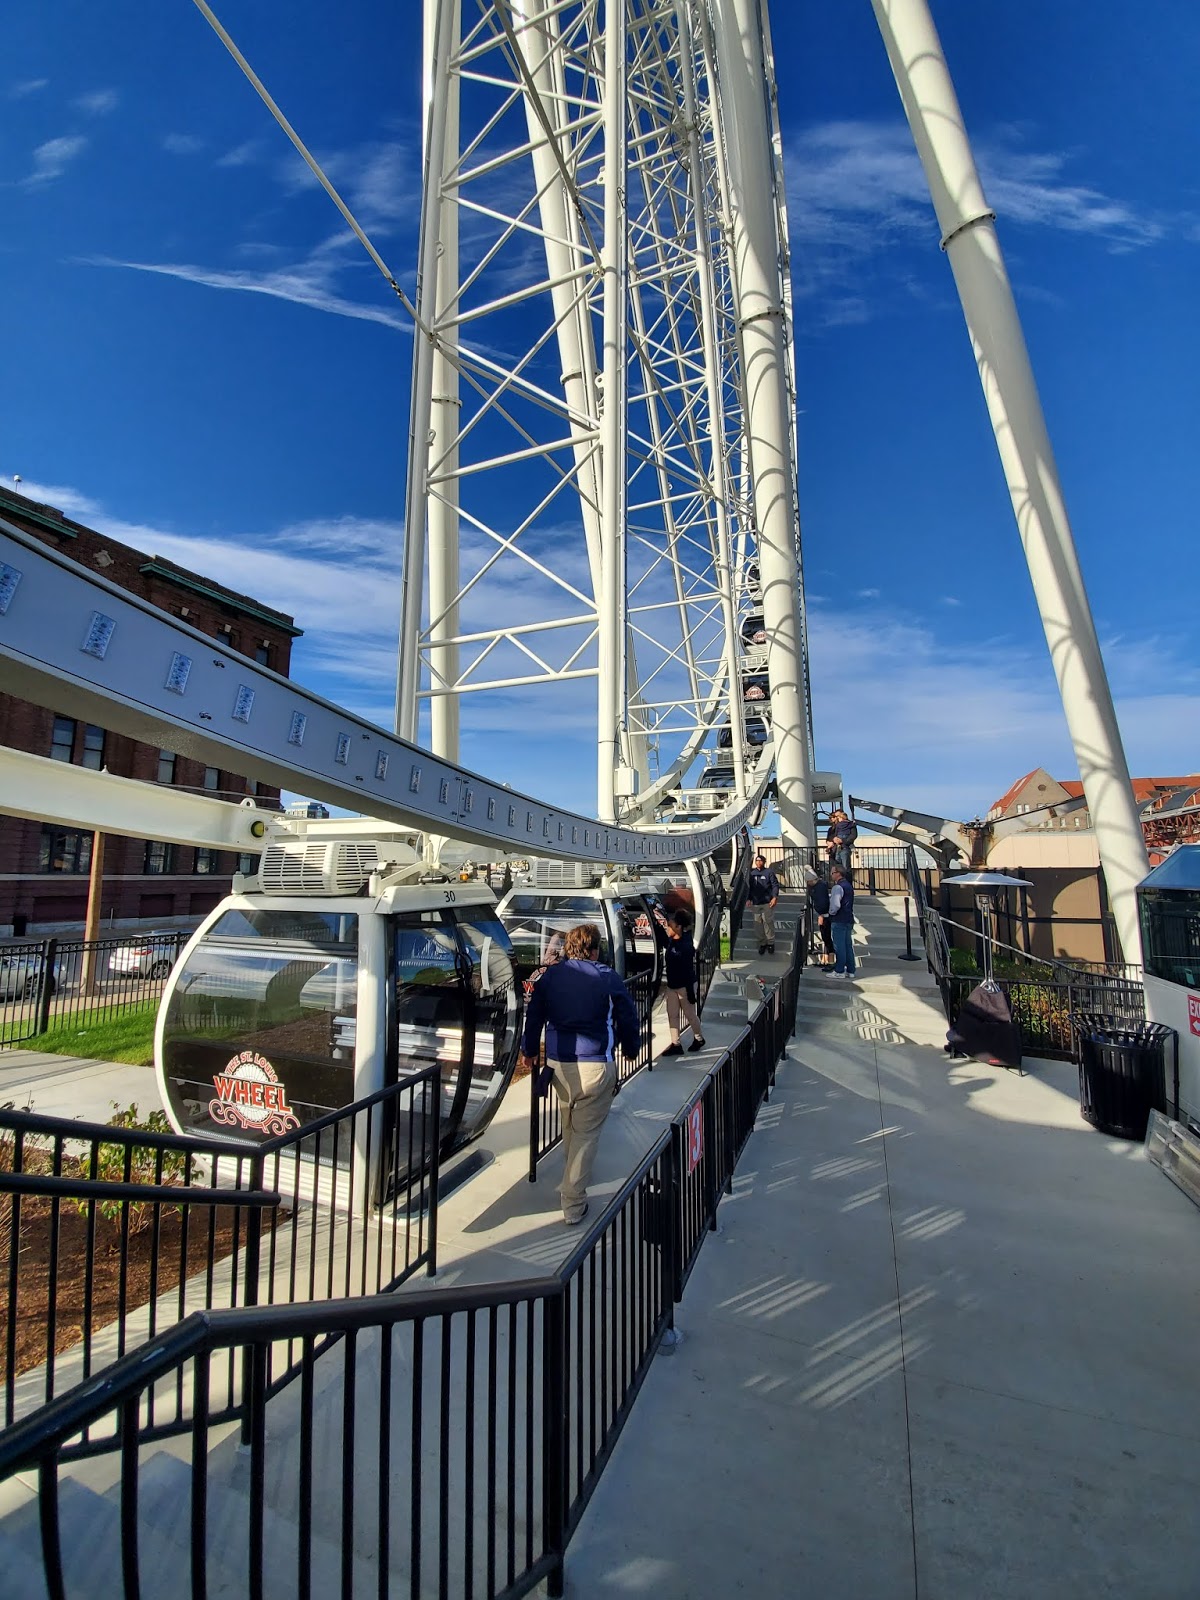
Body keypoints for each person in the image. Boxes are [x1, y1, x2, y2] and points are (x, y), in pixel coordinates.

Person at [517, 922, 640, 1225]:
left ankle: (572, 1169)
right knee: (586, 1133)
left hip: (558, 1065)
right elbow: (627, 1015)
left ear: (568, 947)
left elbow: (534, 1015)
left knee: (569, 1120)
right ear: (596, 949)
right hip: (595, 1065)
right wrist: (632, 1048)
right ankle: (573, 1202)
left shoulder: (550, 977)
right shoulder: (608, 977)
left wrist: (529, 1050)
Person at [660, 908, 706, 1057]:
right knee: (672, 1014)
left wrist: (691, 992)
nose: (668, 928)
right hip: (672, 985)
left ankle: (699, 1038)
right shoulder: (672, 940)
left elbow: (686, 968)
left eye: (670, 926)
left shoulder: (686, 945)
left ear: (678, 927)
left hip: (685, 986)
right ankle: (676, 1043)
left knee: (690, 1014)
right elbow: (664, 940)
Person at [745, 851, 780, 955]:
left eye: (760, 860)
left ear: (764, 862)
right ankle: (762, 943)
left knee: (768, 922)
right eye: (757, 860)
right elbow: (749, 887)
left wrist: (774, 897)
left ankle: (770, 943)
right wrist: (748, 898)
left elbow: (775, 885)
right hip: (756, 902)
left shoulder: (769, 872)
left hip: (767, 902)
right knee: (758, 924)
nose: (758, 862)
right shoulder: (752, 873)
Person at [828, 864, 857, 978]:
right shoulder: (848, 886)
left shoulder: (838, 887)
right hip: (848, 918)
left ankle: (839, 971)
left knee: (839, 946)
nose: (831, 875)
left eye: (832, 873)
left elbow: (835, 905)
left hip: (839, 919)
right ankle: (851, 970)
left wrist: (830, 913)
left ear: (838, 873)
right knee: (847, 945)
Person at [808, 869, 835, 970]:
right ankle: (825, 959)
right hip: (824, 914)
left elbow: (822, 903)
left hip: (825, 915)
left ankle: (830, 961)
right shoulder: (821, 885)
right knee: (825, 938)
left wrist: (821, 915)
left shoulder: (818, 888)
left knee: (827, 938)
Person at [826, 809, 858, 876]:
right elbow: (830, 838)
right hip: (834, 850)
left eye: (837, 816)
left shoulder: (849, 825)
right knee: (836, 868)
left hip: (842, 847)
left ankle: (846, 882)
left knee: (845, 867)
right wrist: (830, 842)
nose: (836, 818)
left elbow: (853, 836)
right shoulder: (832, 828)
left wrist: (842, 841)